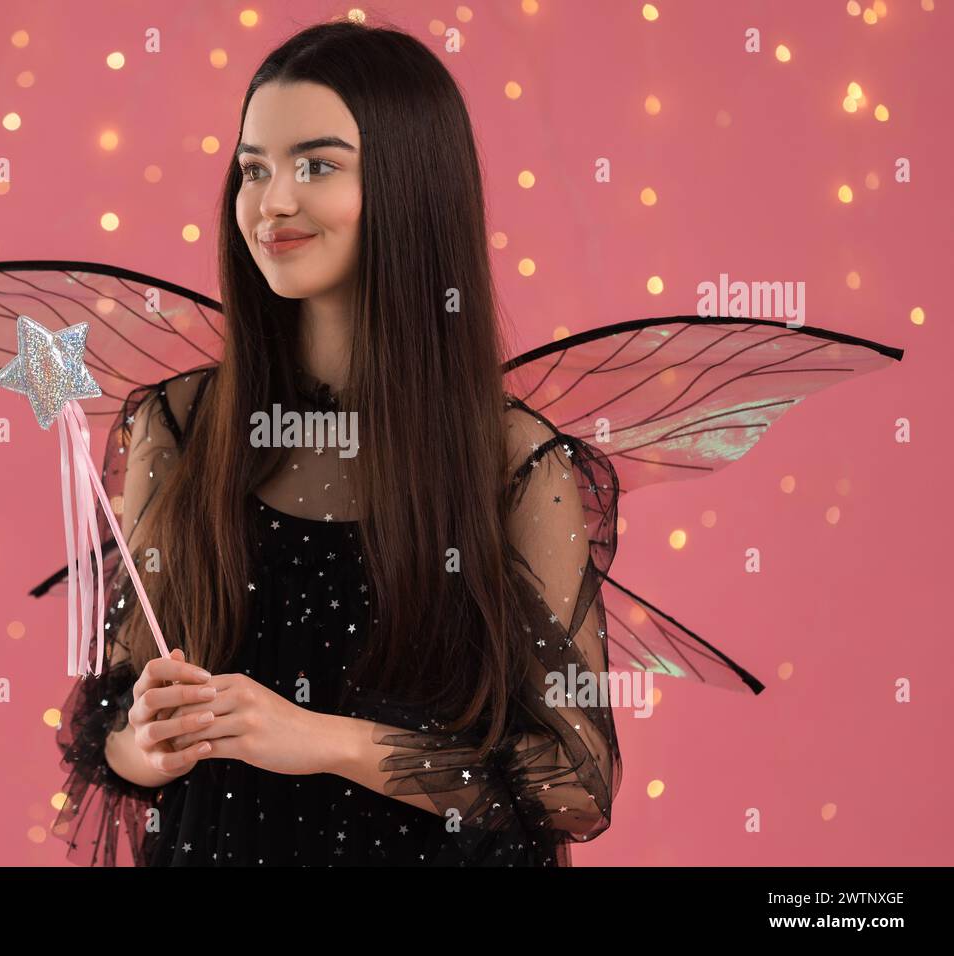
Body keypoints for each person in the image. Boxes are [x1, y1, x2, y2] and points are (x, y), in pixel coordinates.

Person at [51, 19, 622, 867]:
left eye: (316, 166)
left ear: (408, 186)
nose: (271, 202)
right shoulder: (176, 430)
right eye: (253, 169)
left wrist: (322, 740)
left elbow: (575, 783)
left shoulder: (509, 463)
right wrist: (146, 740)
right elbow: (116, 727)